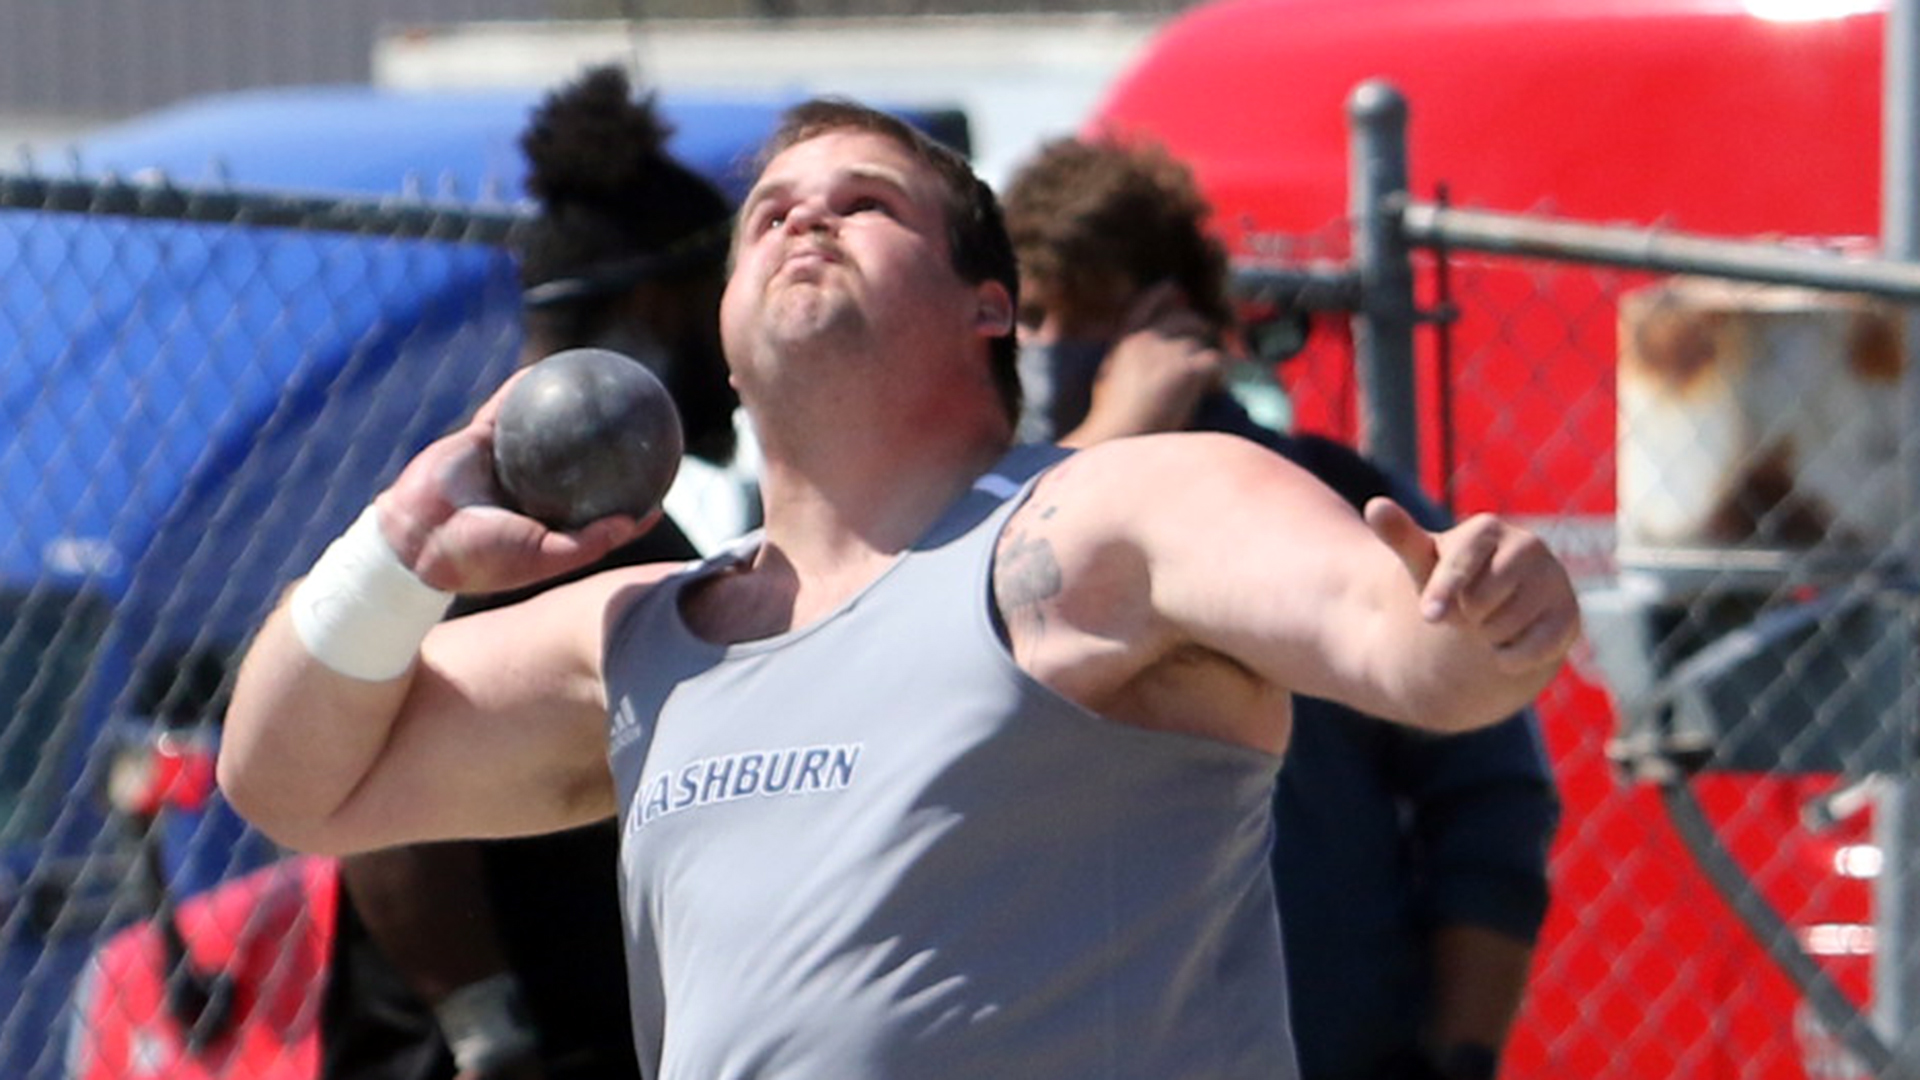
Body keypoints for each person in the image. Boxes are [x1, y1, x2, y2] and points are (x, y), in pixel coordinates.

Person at [218, 99, 1581, 1079]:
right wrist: (404, 543)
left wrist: (1479, 622)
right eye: (769, 215)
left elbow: (1402, 644)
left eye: (865, 203)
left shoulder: (1106, 522)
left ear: (990, 305)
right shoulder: (638, 637)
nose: (805, 215)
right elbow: (289, 782)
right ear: (727, 344)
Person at [998, 137, 1562, 1080]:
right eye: (1031, 318)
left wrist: (1455, 1057)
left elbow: (1488, 803)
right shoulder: (987, 520)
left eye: (1084, 315)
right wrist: (1114, 434)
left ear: (1172, 322)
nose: (1050, 346)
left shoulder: (1326, 505)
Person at [320, 66, 747, 1080]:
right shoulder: (505, 518)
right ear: (659, 304)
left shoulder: (587, 509)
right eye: (717, 304)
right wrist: (490, 1036)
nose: (732, 355)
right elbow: (384, 810)